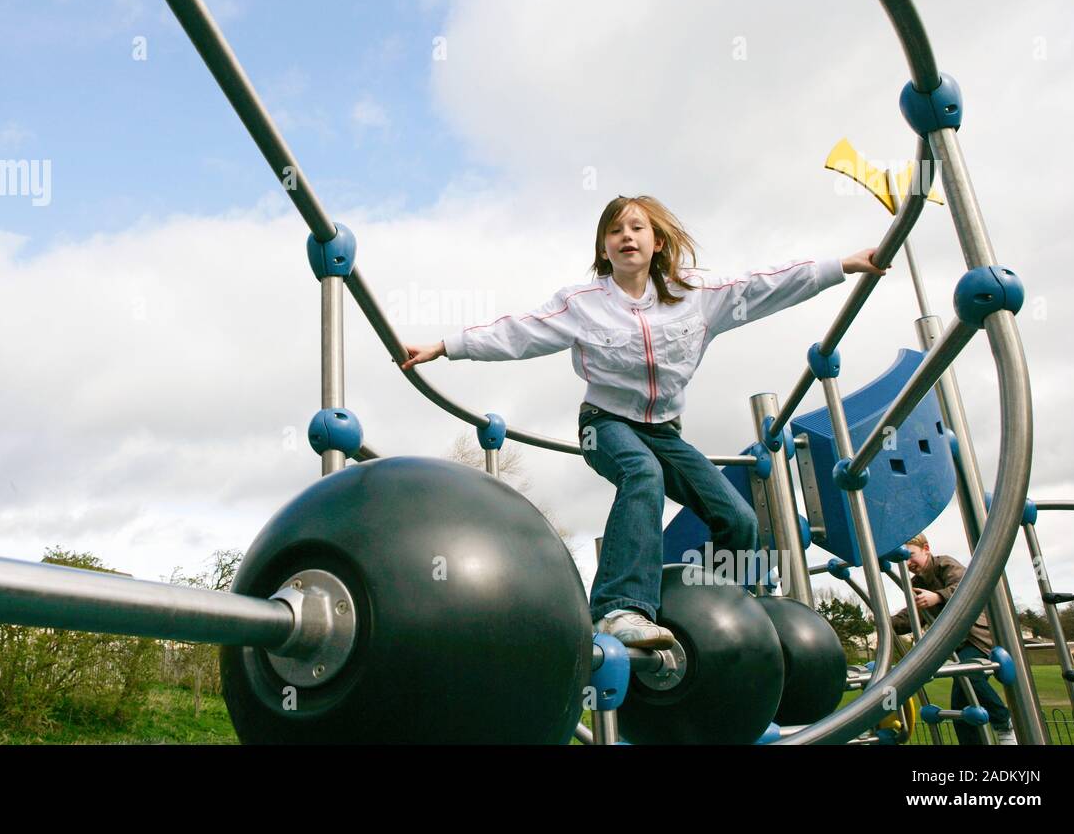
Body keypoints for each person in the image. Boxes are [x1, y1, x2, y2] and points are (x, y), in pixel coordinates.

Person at [400, 194, 885, 649]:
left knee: (737, 518)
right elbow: (521, 331)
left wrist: (841, 265)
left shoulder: (696, 296)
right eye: (615, 231)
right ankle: (618, 608)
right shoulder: (584, 303)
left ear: (658, 243)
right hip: (604, 424)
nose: (626, 236)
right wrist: (447, 347)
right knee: (642, 473)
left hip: (665, 431)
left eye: (637, 227)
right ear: (604, 248)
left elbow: (765, 286)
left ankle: (737, 610)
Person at [891, 533, 1016, 744]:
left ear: (926, 548)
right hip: (958, 646)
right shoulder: (916, 582)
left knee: (968, 675)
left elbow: (969, 587)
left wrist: (937, 596)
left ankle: (1004, 724)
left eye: (911, 555)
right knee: (961, 705)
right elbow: (914, 614)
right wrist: (887, 623)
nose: (909, 563)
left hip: (979, 638)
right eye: (905, 559)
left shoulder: (945, 564)